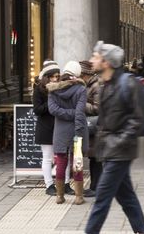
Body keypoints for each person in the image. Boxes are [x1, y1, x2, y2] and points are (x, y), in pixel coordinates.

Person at [85, 41, 144, 234]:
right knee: (126, 196)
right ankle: (142, 230)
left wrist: (120, 140)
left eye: (95, 57)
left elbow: (137, 119)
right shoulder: (105, 84)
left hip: (119, 150)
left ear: (105, 62)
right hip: (110, 148)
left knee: (101, 199)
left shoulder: (127, 84)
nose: (91, 60)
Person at [48, 61, 89, 205]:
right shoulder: (81, 90)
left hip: (60, 133)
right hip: (77, 131)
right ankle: (78, 197)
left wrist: (64, 113)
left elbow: (53, 110)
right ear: (77, 74)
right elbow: (79, 113)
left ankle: (59, 196)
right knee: (77, 164)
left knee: (60, 163)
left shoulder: (53, 89)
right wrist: (78, 130)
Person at [33, 61, 60, 195]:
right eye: (53, 76)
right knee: (47, 157)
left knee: (62, 156)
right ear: (47, 77)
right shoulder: (39, 90)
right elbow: (37, 110)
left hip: (60, 127)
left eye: (57, 76)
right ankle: (49, 185)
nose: (55, 79)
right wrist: (50, 100)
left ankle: (64, 183)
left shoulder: (60, 88)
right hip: (45, 127)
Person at [81, 60, 102, 197]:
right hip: (95, 128)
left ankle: (96, 187)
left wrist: (82, 104)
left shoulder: (97, 86)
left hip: (98, 127)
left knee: (96, 159)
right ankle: (95, 186)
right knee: (94, 158)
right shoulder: (89, 85)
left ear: (85, 74)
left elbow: (98, 108)